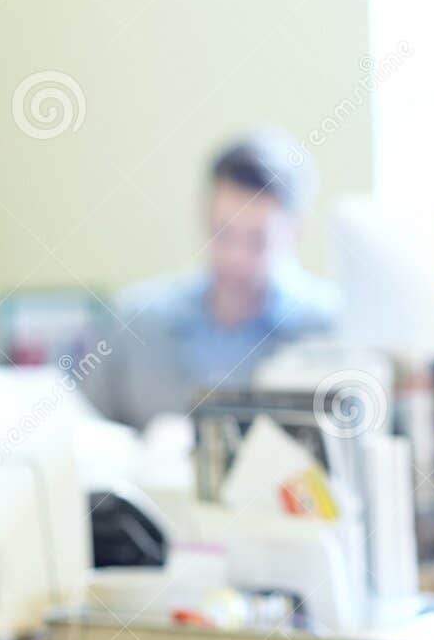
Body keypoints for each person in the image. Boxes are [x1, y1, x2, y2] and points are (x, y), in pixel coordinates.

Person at [87, 127, 342, 429]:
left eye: (257, 241)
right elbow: (86, 434)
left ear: (296, 230)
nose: (235, 257)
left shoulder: (332, 330)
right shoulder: (137, 320)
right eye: (222, 233)